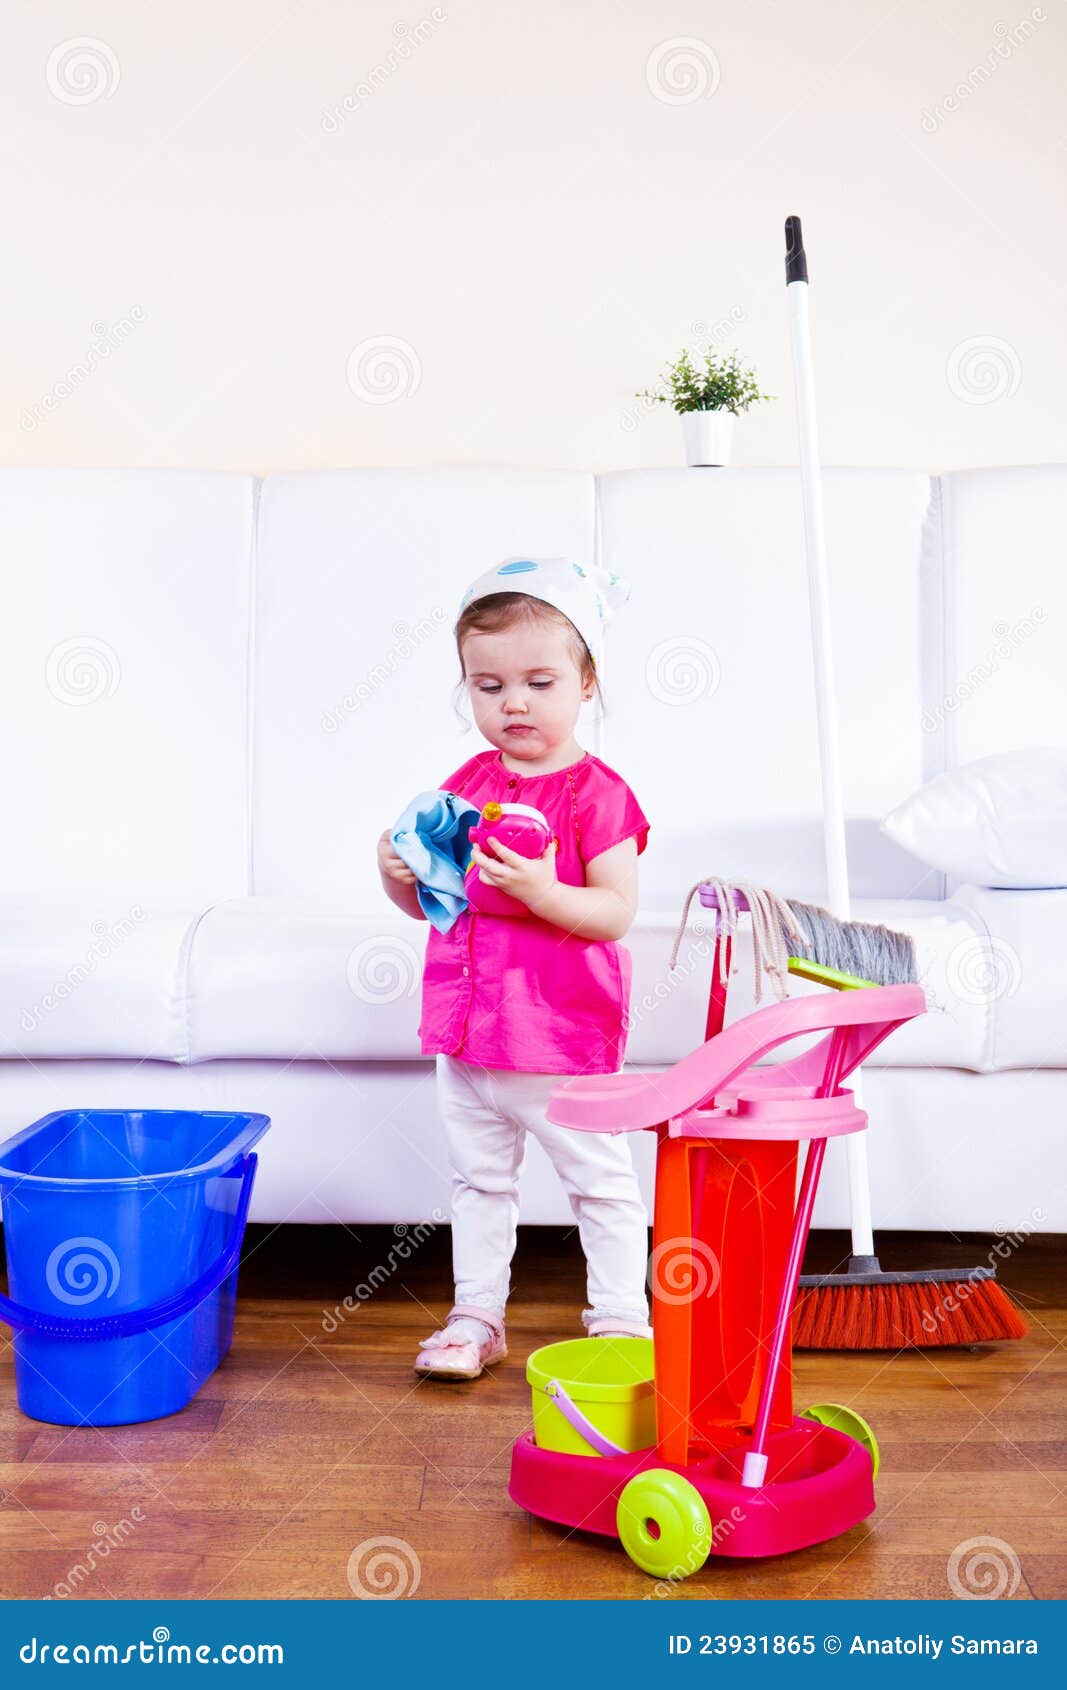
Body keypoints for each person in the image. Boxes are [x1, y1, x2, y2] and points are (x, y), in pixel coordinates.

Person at [378, 557, 653, 1379]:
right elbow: (438, 901)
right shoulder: (463, 785)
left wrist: (543, 891)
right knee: (478, 1184)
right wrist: (395, 877)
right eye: (489, 686)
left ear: (587, 682)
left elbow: (613, 913)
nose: (515, 703)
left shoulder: (598, 794)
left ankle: (619, 1325)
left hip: (560, 1036)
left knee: (599, 1186)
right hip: (467, 1034)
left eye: (539, 681)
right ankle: (476, 1317)